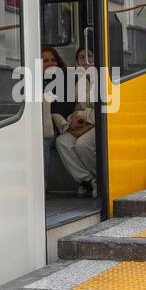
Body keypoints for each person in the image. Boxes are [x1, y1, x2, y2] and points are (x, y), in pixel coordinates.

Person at [56, 46, 98, 198]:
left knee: (83, 145)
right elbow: (77, 108)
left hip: (99, 125)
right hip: (87, 124)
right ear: (77, 63)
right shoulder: (78, 83)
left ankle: (102, 178)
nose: (86, 61)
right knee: (62, 142)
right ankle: (89, 180)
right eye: (82, 57)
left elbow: (103, 113)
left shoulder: (102, 80)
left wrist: (82, 115)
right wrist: (72, 120)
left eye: (90, 56)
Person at [40, 46, 71, 169]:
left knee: (43, 142)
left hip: (55, 125)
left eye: (53, 60)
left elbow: (65, 108)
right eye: (45, 61)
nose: (50, 63)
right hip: (36, 124)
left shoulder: (66, 79)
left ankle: (43, 184)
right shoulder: (33, 80)